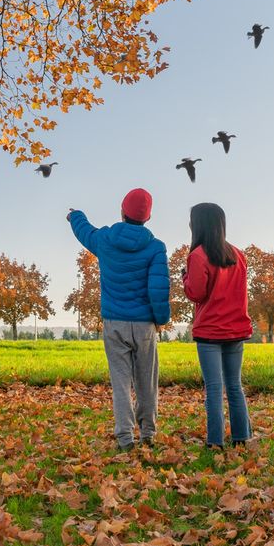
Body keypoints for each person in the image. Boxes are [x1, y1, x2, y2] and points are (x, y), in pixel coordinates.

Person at [67, 189, 171, 450]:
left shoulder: (105, 240)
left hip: (114, 323)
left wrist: (75, 215)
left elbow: (85, 232)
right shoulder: (156, 248)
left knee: (121, 383)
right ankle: (148, 434)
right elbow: (158, 289)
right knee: (147, 383)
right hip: (145, 325)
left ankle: (125, 438)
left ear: (122, 211)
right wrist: (161, 319)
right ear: (148, 217)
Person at [181, 203, 252, 447]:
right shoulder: (238, 255)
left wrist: (185, 278)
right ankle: (241, 438)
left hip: (210, 331)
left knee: (213, 388)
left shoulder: (198, 256)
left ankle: (215, 441)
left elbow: (196, 293)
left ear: (198, 225)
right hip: (236, 329)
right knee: (235, 386)